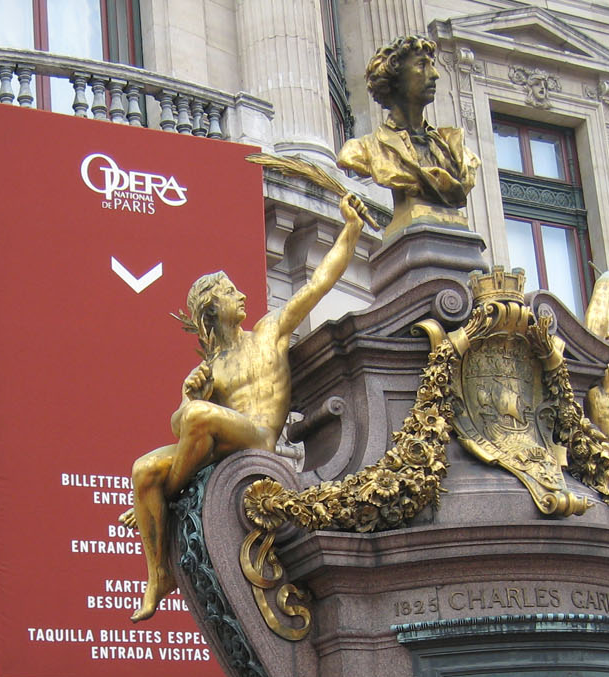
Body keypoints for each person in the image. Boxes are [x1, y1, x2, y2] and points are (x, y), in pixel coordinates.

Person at [122, 192, 368, 621]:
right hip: (225, 442)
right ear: (212, 308)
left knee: (189, 434)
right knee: (143, 470)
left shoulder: (269, 333)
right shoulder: (210, 368)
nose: (241, 295)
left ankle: (170, 494)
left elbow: (317, 285)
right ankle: (158, 573)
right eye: (230, 292)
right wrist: (189, 395)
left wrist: (350, 229)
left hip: (260, 438)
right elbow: (183, 428)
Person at [337, 34, 478, 235]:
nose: (435, 74)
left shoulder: (457, 152)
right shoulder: (363, 149)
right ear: (395, 74)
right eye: (422, 65)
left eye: (432, 64)